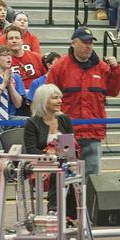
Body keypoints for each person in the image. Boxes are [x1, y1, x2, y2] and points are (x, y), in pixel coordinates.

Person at [45, 27, 120, 175]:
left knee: (93, 179)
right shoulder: (60, 67)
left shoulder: (102, 67)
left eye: (91, 43)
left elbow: (114, 91)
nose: (89, 46)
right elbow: (48, 98)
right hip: (66, 134)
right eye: (84, 42)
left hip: (93, 132)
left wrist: (116, 70)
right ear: (73, 43)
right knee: (64, 177)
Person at [23, 83, 77, 215]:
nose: (60, 101)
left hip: (63, 161)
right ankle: (56, 210)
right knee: (59, 171)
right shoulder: (32, 123)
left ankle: (65, 213)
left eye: (60, 97)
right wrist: (51, 155)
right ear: (43, 101)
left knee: (67, 168)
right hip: (41, 164)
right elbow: (31, 150)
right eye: (55, 98)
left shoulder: (64, 119)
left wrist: (62, 156)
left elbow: (70, 147)